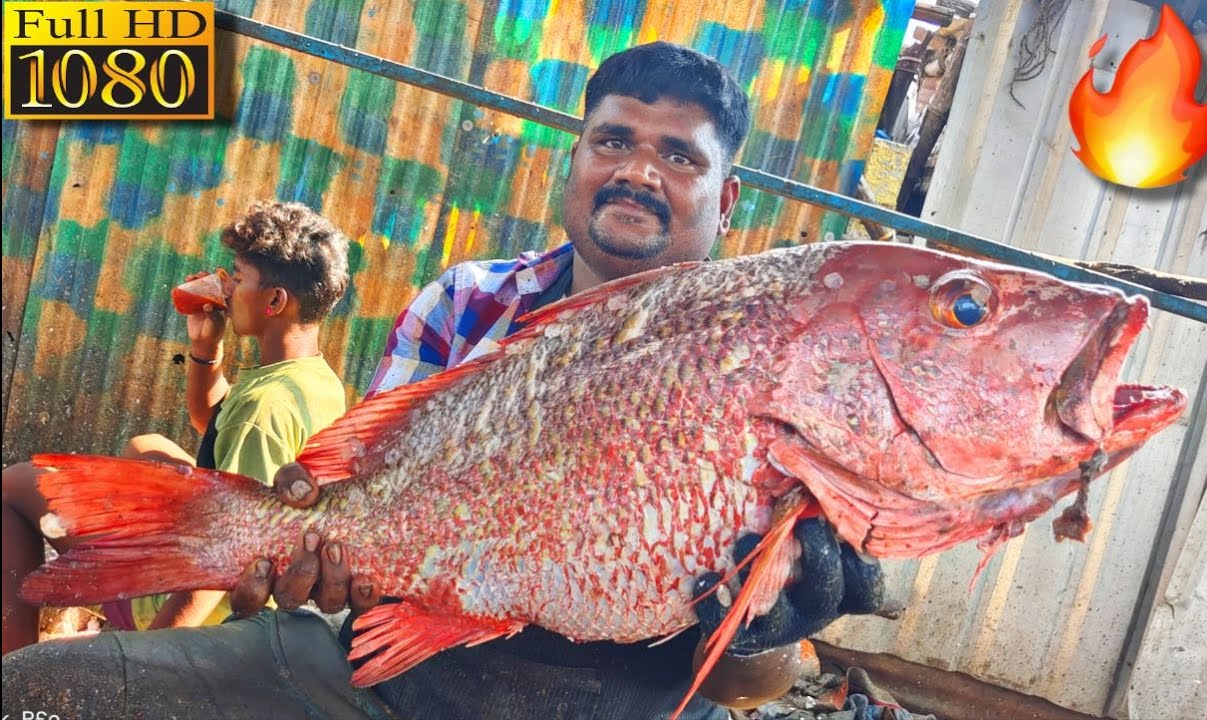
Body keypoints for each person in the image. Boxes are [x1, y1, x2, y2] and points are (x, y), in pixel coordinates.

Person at [2, 44, 887, 720]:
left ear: (727, 200)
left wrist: (773, 621)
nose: (637, 171)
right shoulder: (465, 303)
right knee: (43, 689)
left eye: (680, 156)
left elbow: (754, 683)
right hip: (391, 679)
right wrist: (320, 557)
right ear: (572, 162)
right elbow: (352, 510)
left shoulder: (790, 374)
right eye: (612, 140)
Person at [1, 200, 351, 653]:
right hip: (214, 542)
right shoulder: (312, 378)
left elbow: (233, 559)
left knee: (12, 488)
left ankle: (15, 673)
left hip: (200, 605)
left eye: (238, 278)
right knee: (147, 446)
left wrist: (153, 656)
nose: (226, 289)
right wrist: (206, 347)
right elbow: (212, 422)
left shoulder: (265, 409)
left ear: (275, 301)